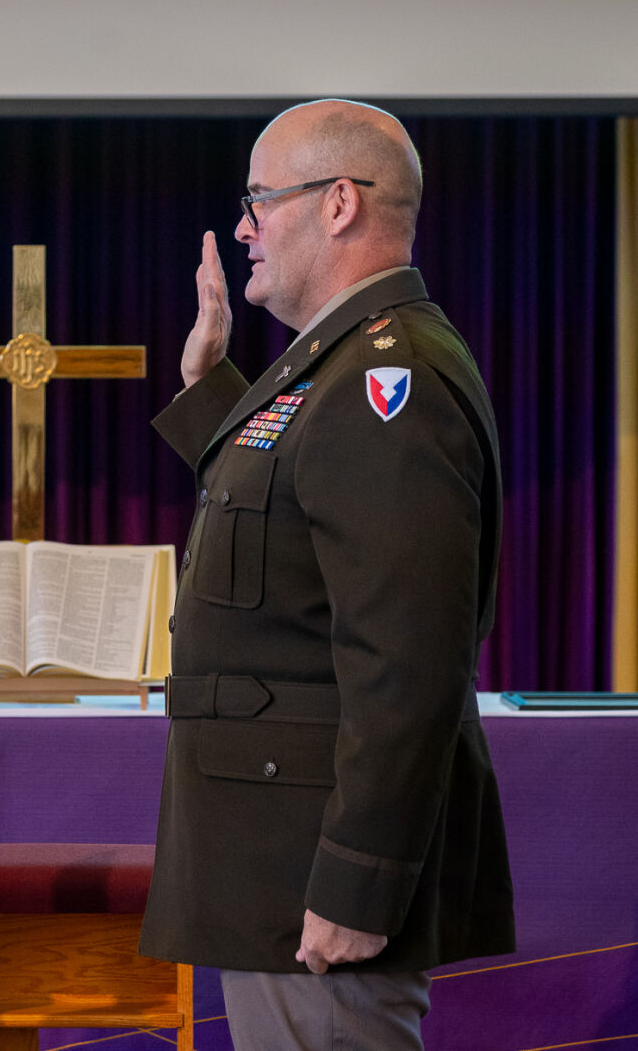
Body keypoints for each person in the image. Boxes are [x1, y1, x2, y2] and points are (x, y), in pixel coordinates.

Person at [139, 100, 514, 1050]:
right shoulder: (336, 366)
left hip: (317, 882)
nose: (242, 226)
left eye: (260, 198)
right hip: (277, 863)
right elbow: (285, 530)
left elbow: (407, 667)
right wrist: (209, 389)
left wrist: (358, 877)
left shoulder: (389, 380)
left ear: (338, 202)